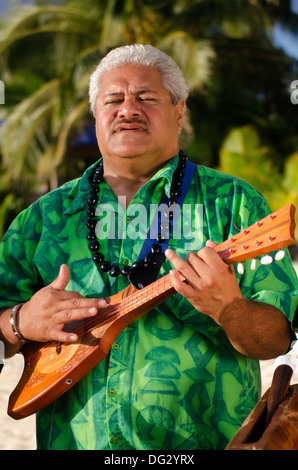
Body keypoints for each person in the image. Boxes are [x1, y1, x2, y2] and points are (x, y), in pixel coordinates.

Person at [0, 44, 297, 451]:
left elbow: (276, 341)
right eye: (114, 99)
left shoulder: (235, 204)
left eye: (146, 97)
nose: (128, 109)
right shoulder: (40, 221)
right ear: (96, 114)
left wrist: (229, 308)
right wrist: (18, 321)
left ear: (179, 112)